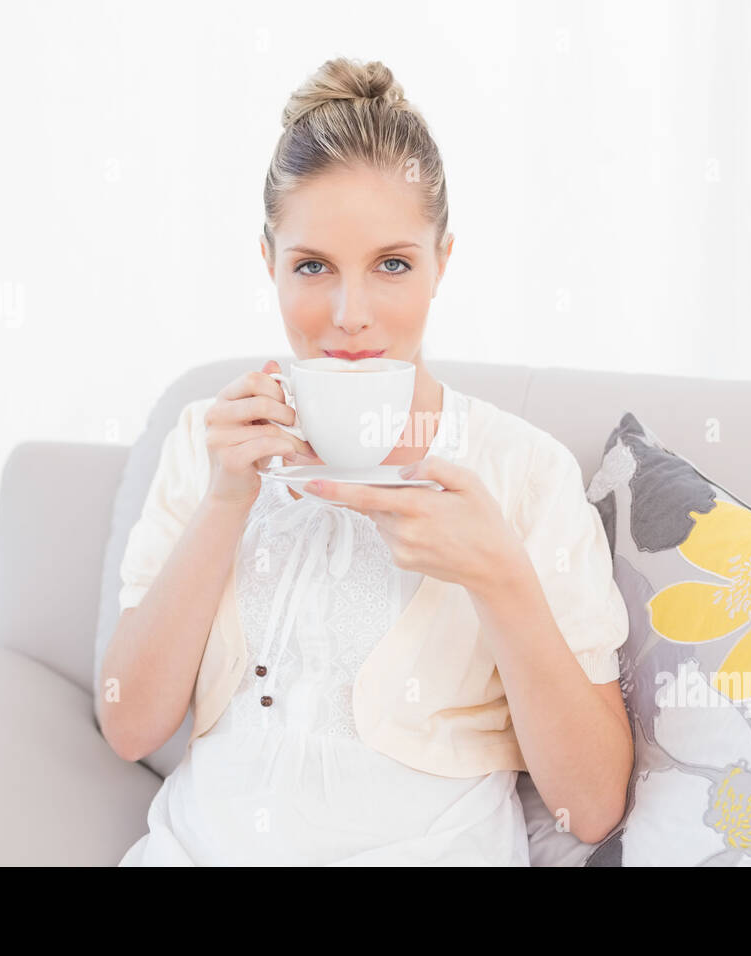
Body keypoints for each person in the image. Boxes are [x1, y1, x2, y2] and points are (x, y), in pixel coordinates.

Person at [103, 56, 633, 866]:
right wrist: (222, 507)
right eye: (312, 266)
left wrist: (499, 579)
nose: (351, 317)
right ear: (268, 262)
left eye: (392, 264)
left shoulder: (525, 475)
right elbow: (129, 724)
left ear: (442, 262)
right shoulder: (208, 443)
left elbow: (591, 807)